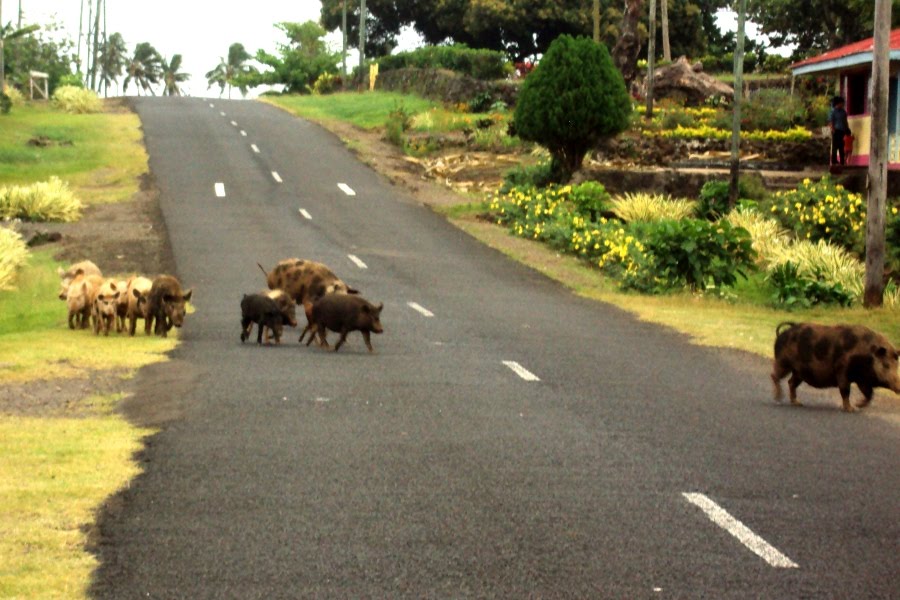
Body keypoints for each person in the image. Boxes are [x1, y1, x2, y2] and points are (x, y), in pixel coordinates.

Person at [828, 96, 851, 166]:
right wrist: (833, 129)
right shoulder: (833, 112)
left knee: (842, 146)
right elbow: (830, 121)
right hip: (836, 130)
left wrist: (847, 128)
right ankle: (834, 161)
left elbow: (845, 121)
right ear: (838, 103)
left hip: (842, 131)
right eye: (841, 103)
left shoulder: (843, 112)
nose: (843, 104)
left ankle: (842, 161)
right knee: (835, 146)